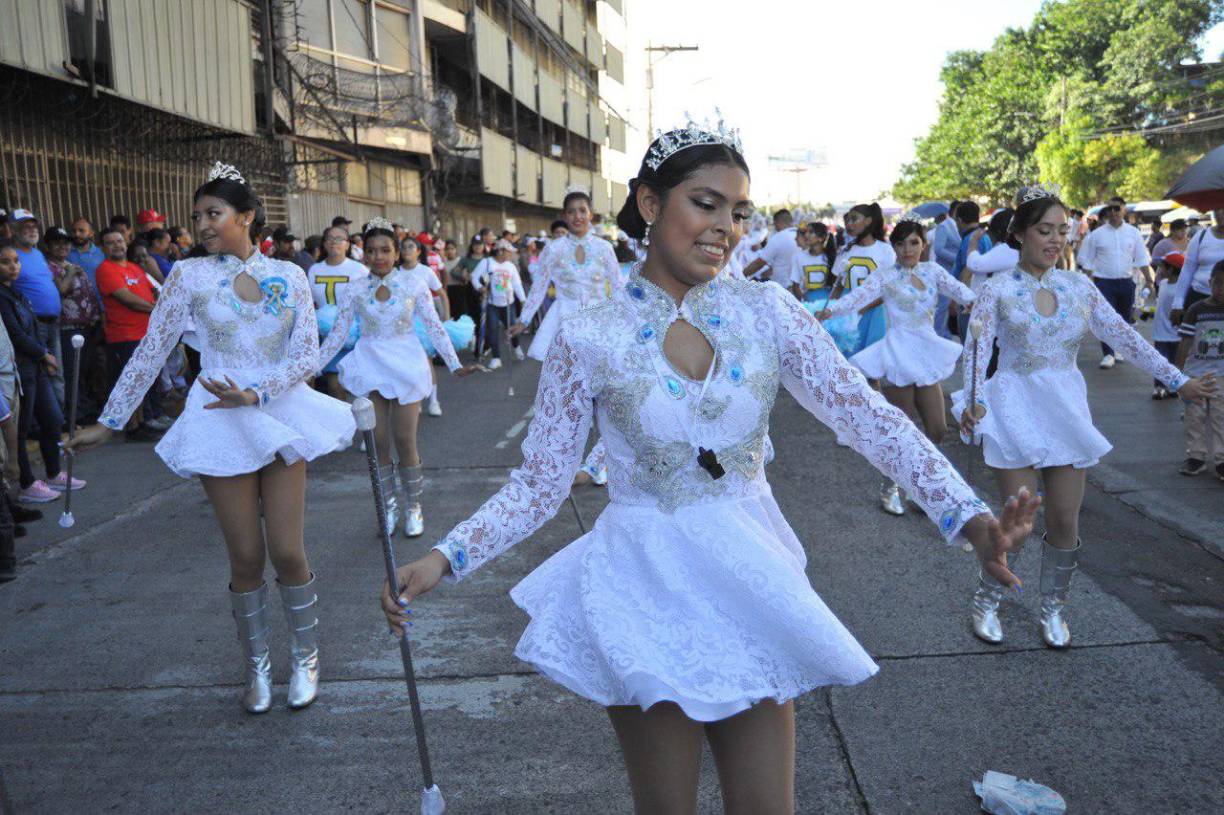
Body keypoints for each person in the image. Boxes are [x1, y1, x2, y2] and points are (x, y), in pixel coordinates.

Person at [380, 125, 1039, 815]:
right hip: (642, 584)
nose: (726, 227)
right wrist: (444, 557)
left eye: (739, 210)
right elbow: (542, 481)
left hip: (750, 575)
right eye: (706, 203)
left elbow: (866, 416)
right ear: (649, 202)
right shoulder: (589, 332)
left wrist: (969, 517)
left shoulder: (767, 311)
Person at [70, 162, 357, 714]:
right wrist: (110, 420)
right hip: (217, 416)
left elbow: (305, 356)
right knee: (245, 556)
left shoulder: (291, 274)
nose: (201, 224)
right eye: (197, 215)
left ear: (245, 216)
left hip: (277, 414)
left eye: (213, 213)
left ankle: (306, 657)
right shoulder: (188, 277)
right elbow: (154, 348)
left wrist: (260, 393)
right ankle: (257, 668)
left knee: (288, 550)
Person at [956, 187, 1213, 649]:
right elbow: (977, 350)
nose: (1055, 240)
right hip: (1012, 406)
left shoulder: (1078, 287)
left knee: (1063, 521)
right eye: (1043, 231)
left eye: (1062, 230)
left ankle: (1053, 608)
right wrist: (973, 402)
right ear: (1019, 234)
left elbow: (1127, 338)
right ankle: (988, 598)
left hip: (1066, 412)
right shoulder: (996, 289)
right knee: (1018, 519)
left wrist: (1177, 381)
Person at [317, 218, 476, 537]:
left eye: (386, 250)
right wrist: (312, 367)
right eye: (372, 250)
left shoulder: (413, 284)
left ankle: (413, 507)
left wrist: (454, 363)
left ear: (396, 252)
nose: (379, 256)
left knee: (405, 440)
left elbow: (433, 325)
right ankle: (387, 507)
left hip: (405, 363)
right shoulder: (354, 288)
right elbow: (337, 333)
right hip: (369, 364)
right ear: (364, 254)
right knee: (376, 442)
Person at [821, 218, 975, 514]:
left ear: (923, 244)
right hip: (898, 353)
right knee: (900, 429)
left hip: (927, 351)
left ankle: (919, 484)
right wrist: (828, 311)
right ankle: (890, 485)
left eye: (914, 242)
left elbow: (962, 292)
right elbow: (856, 298)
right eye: (901, 243)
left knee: (938, 429)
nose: (908, 249)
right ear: (894, 246)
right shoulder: (886, 275)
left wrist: (977, 303)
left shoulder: (933, 271)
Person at [0, 243, 76, 503]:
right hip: (21, 370)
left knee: (53, 418)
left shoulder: (16, 294)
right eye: (6, 262)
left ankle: (53, 472)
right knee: (19, 430)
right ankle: (26, 482)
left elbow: (31, 329)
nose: (13, 266)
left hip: (36, 366)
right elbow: (15, 334)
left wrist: (43, 354)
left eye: (16, 261)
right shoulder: (2, 297)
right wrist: (43, 353)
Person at [510, 187, 623, 362]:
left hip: (599, 321)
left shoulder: (604, 248)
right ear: (564, 216)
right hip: (563, 320)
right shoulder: (553, 248)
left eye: (582, 210)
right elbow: (539, 287)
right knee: (567, 377)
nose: (577, 216)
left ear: (591, 214)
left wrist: (626, 321)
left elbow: (618, 287)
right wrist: (524, 320)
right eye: (571, 212)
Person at [95, 228, 165, 440]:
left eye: (119, 241)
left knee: (141, 381)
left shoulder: (135, 268)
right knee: (130, 382)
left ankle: (141, 423)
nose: (117, 245)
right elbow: (127, 299)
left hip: (143, 334)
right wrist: (156, 308)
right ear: (103, 248)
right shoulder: (105, 270)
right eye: (110, 243)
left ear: (126, 243)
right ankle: (133, 428)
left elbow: (152, 291)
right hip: (124, 336)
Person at [1075, 196, 1153, 369]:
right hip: (1104, 283)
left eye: (1116, 208)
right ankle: (1108, 354)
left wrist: (1149, 280)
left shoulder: (1133, 233)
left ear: (1124, 210)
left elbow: (1141, 258)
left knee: (1124, 321)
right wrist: (1084, 284)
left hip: (1126, 282)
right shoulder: (1096, 235)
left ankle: (1119, 350)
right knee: (1105, 319)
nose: (1113, 212)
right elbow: (1087, 261)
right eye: (1109, 209)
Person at [45, 226, 104, 424]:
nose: (63, 246)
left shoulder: (70, 264)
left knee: (84, 370)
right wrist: (69, 273)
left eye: (66, 243)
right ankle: (75, 414)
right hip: (67, 328)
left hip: (87, 325)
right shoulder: (49, 268)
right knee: (72, 371)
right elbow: (61, 290)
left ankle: (84, 408)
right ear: (48, 246)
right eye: (57, 243)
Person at [8, 209, 65, 406]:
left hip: (52, 323)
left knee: (56, 372)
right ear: (13, 229)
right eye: (26, 226)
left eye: (34, 226)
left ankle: (62, 423)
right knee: (39, 374)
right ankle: (44, 427)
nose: (32, 230)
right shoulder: (10, 256)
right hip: (32, 326)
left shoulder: (38, 253)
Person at [1174, 261, 1224, 479]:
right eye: (1218, 284)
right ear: (1209, 282)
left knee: (1220, 417)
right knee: (1194, 415)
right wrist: (1177, 374)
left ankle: (1222, 459)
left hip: (1222, 375)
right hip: (1196, 374)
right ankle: (1196, 457)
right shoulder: (1196, 310)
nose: (1222, 289)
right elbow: (1185, 341)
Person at [307, 225, 368, 402]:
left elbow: (368, 303)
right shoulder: (314, 270)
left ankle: (364, 423)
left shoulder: (359, 270)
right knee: (334, 386)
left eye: (339, 238)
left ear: (348, 244)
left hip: (354, 335)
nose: (334, 242)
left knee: (358, 388)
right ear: (324, 244)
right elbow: (310, 303)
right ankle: (346, 425)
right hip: (327, 336)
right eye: (330, 238)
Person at [831, 203, 895, 359]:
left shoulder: (886, 250)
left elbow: (889, 288)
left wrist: (863, 308)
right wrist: (830, 310)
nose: (849, 224)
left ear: (868, 221)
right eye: (847, 220)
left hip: (874, 311)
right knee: (847, 362)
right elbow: (838, 286)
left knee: (872, 365)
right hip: (847, 310)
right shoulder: (845, 250)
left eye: (854, 219)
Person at [400, 236, 451, 417]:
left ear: (419, 252)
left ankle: (434, 401)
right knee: (408, 364)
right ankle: (416, 399)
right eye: (403, 247)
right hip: (402, 324)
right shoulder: (395, 272)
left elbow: (442, 294)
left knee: (426, 361)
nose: (406, 250)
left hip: (423, 322)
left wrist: (446, 317)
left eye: (410, 247)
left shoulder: (426, 271)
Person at [475, 239, 527, 370]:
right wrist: (480, 287)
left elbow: (516, 284)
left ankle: (516, 347)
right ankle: (496, 358)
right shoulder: (486, 263)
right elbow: (474, 277)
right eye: (509, 252)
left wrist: (523, 300)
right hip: (492, 303)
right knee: (493, 329)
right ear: (500, 251)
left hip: (509, 303)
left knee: (512, 328)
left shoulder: (510, 266)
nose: (511, 255)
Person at [1171, 208, 1224, 324]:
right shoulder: (1201, 236)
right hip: (1199, 298)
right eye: (1218, 209)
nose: (1220, 213)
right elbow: (1187, 271)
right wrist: (1178, 303)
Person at [1150, 252, 1185, 399]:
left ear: (1171, 270)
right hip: (1160, 332)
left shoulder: (1181, 289)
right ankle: (1159, 386)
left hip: (1175, 333)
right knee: (1160, 362)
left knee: (1174, 361)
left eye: (1162, 267)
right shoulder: (1163, 284)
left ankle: (1172, 386)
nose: (1160, 270)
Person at [742, 209, 800, 284]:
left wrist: (741, 275)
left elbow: (759, 263)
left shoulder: (778, 238)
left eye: (775, 224)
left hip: (783, 287)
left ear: (778, 222)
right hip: (799, 287)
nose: (775, 227)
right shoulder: (802, 236)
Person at [789, 222, 835, 303]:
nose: (806, 235)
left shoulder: (831, 257)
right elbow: (795, 285)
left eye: (810, 232)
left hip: (827, 305)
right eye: (806, 232)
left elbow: (837, 287)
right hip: (807, 305)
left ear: (821, 238)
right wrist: (806, 304)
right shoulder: (798, 257)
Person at [68, 218, 106, 288]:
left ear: (91, 233)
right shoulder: (65, 254)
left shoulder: (102, 253)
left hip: (99, 298)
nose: (77, 234)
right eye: (74, 231)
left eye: (81, 231)